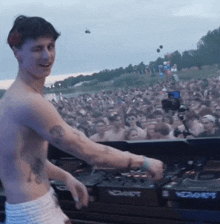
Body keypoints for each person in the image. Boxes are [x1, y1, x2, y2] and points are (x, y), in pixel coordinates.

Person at [1, 15, 164, 224]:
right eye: (37, 49)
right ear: (17, 53)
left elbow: (26, 160)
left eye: (51, 46)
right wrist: (144, 162)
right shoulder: (30, 103)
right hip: (35, 215)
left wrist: (65, 176)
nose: (47, 55)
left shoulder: (10, 100)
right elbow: (87, 151)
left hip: (30, 210)